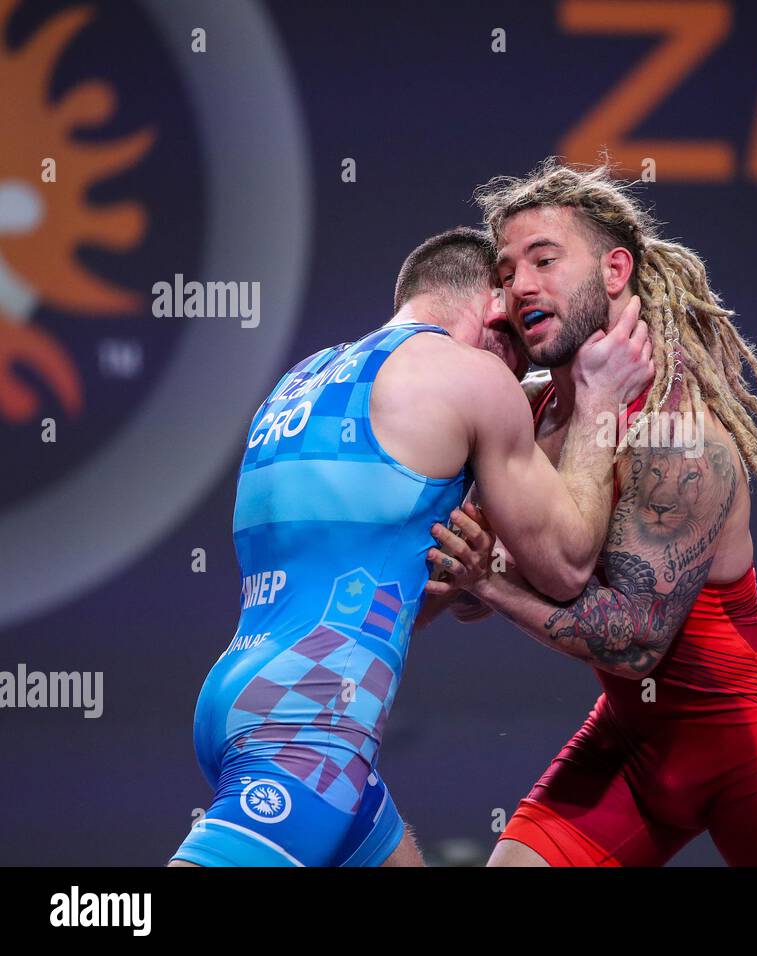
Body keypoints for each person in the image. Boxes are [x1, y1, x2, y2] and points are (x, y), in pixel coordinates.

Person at [168, 226, 651, 867]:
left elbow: (363, 590)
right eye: (519, 352)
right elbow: (566, 564)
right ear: (491, 309)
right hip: (307, 726)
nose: (522, 374)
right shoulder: (472, 376)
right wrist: (599, 404)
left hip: (243, 697)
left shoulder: (300, 382)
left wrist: (466, 583)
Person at [440, 160, 757, 866]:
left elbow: (633, 642)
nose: (519, 285)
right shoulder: (531, 413)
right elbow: (468, 595)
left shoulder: (682, 440)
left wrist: (487, 581)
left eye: (544, 260)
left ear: (615, 272)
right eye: (508, 269)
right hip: (632, 742)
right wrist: (471, 575)